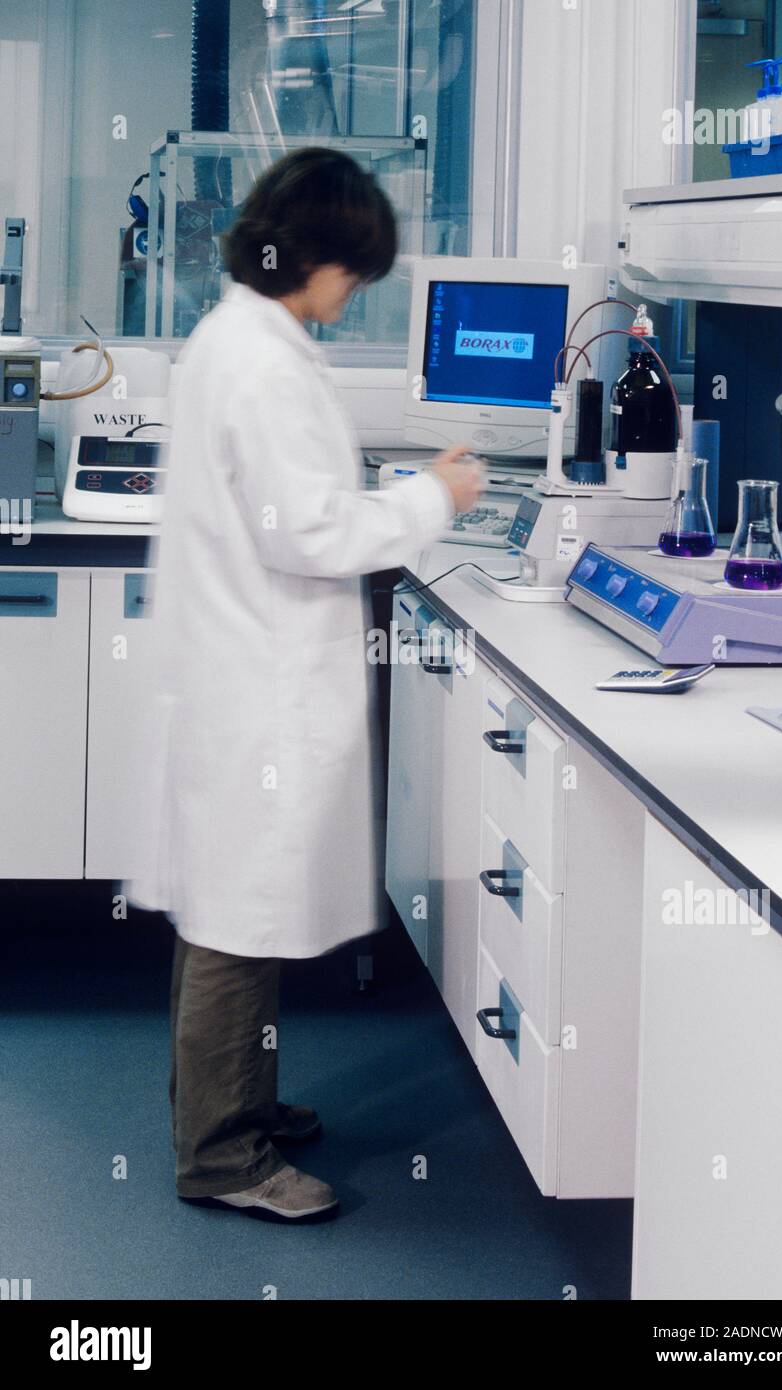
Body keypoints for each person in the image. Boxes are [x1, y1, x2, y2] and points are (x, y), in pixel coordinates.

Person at [128, 148, 483, 1221]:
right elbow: (312, 530)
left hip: (237, 672)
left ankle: (232, 1102)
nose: (351, 295)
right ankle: (222, 1155)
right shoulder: (265, 362)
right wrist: (436, 497)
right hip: (260, 685)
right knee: (241, 919)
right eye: (352, 274)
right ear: (318, 259)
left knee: (232, 907)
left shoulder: (232, 336)